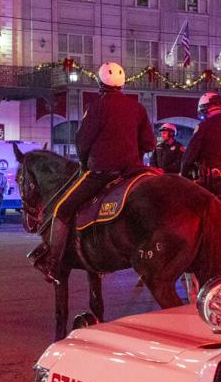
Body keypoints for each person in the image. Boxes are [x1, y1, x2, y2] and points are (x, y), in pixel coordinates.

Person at [33, 62, 154, 283]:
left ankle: (53, 263)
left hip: (103, 172)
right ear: (122, 83)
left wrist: (85, 163)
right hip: (133, 171)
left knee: (61, 208)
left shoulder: (97, 106)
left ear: (100, 83)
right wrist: (133, 154)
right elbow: (149, 142)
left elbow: (82, 141)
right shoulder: (137, 108)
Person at [179, 91, 221, 196]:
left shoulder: (204, 126)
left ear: (204, 109)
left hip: (209, 182)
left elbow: (190, 154)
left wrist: (183, 174)